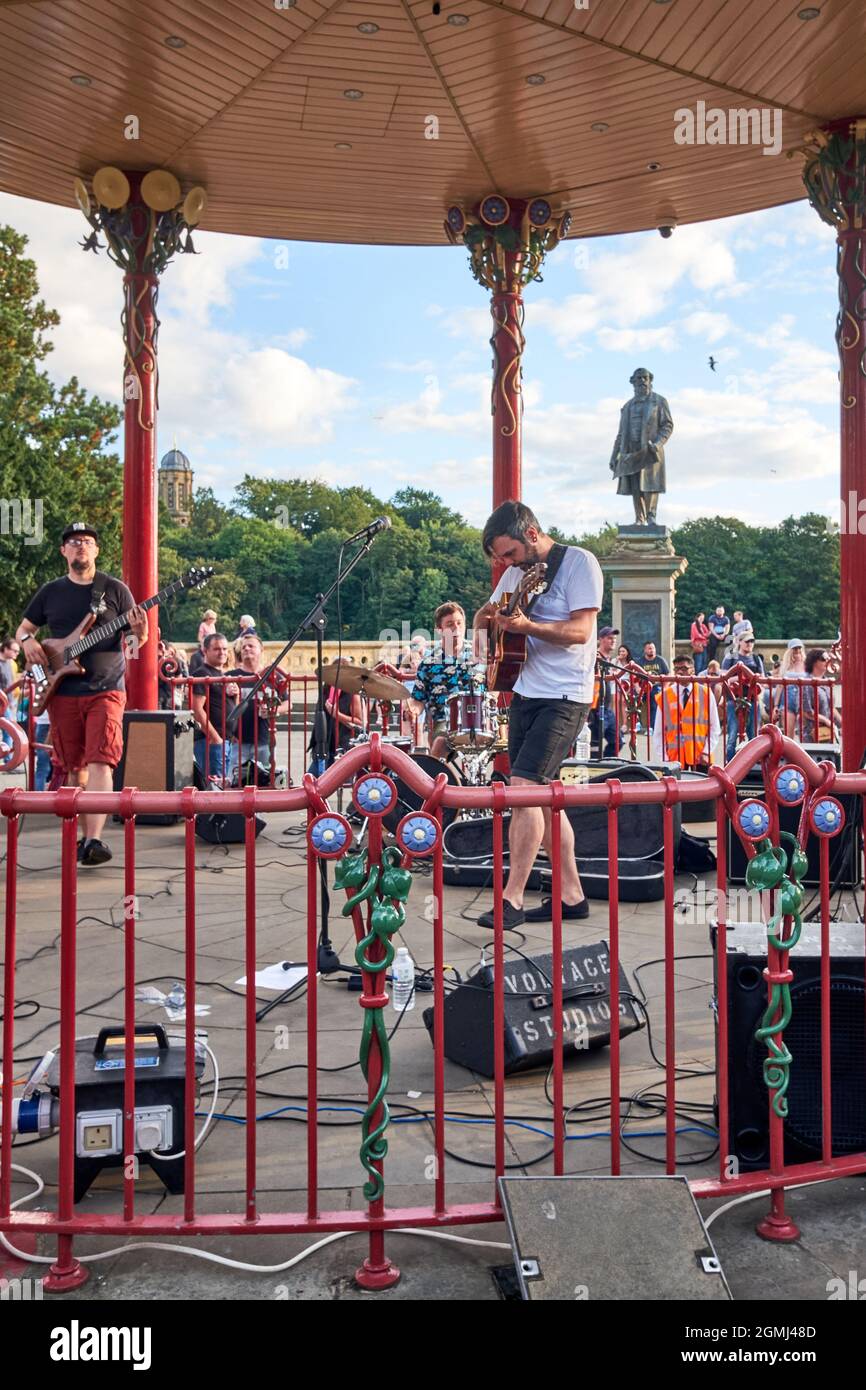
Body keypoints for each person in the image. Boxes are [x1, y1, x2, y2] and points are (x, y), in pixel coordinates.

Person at [471, 501, 603, 930]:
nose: (505, 564)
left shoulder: (579, 563)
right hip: (525, 691)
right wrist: (483, 630)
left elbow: (582, 632)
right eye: (499, 558)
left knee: (523, 790)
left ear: (531, 534)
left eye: (508, 554)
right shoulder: (514, 575)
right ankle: (572, 895)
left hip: (565, 697)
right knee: (546, 800)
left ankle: (511, 900)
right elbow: (487, 615)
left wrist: (526, 627)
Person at [14, 521, 148, 864]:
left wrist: (139, 633)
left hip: (106, 688)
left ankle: (94, 839)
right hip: (63, 690)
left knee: (101, 758)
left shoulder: (115, 590)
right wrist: (28, 642)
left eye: (88, 541)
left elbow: (132, 647)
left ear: (97, 550)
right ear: (63, 550)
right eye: (74, 542)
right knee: (74, 766)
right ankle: (79, 838)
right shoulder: (50, 591)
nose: (81, 547)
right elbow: (23, 630)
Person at [409, 602, 485, 760]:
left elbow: (495, 687)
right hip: (445, 721)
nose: (456, 628)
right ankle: (434, 780)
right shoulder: (428, 663)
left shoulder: (480, 656)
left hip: (480, 719)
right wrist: (412, 710)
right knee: (440, 742)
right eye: (450, 624)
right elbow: (418, 700)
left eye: (459, 623)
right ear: (439, 630)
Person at [228, 634, 290, 774]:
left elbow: (288, 703)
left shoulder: (272, 675)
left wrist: (273, 710)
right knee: (235, 782)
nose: (246, 649)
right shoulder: (232, 676)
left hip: (264, 739)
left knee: (263, 781)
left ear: (261, 650)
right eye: (243, 647)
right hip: (238, 740)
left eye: (251, 646)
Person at [651, 653, 720, 768]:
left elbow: (715, 727)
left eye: (684, 668)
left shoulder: (706, 693)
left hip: (701, 756)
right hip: (674, 759)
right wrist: (664, 758)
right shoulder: (665, 696)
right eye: (676, 669)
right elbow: (658, 732)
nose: (679, 672)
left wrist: (707, 751)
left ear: (692, 670)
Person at [190, 632, 240, 784]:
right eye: (217, 649)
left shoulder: (222, 675)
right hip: (210, 741)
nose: (222, 652)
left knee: (222, 786)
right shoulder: (202, 673)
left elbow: (233, 709)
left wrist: (236, 694)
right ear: (205, 651)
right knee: (214, 789)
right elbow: (196, 709)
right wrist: (214, 737)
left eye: (225, 649)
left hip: (225, 740)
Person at [721, 631, 765, 760]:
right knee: (733, 735)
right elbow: (724, 678)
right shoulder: (730, 658)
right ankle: (730, 765)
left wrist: (748, 679)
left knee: (753, 734)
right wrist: (742, 677)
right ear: (739, 642)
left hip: (753, 698)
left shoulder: (756, 658)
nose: (750, 644)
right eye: (747, 641)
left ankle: (753, 763)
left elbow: (762, 679)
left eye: (752, 641)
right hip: (733, 699)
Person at [589, 625, 619, 758]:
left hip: (606, 709)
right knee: (594, 745)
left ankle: (606, 765)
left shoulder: (608, 660)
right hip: (595, 709)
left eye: (614, 638)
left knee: (618, 741)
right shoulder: (595, 657)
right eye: (609, 638)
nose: (613, 641)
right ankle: (594, 771)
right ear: (601, 639)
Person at [801, 649, 841, 744]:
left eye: (828, 658)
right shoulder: (807, 682)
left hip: (827, 732)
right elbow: (807, 712)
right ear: (814, 662)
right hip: (813, 734)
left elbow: (831, 707)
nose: (827, 661)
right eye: (824, 658)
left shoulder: (827, 681)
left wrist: (842, 723)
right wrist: (827, 721)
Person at [0, 638, 20, 719]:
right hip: (2, 702)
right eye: (15, 651)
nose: (17, 653)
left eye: (18, 651)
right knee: (9, 729)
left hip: (10, 701)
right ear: (5, 649)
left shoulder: (11, 662)